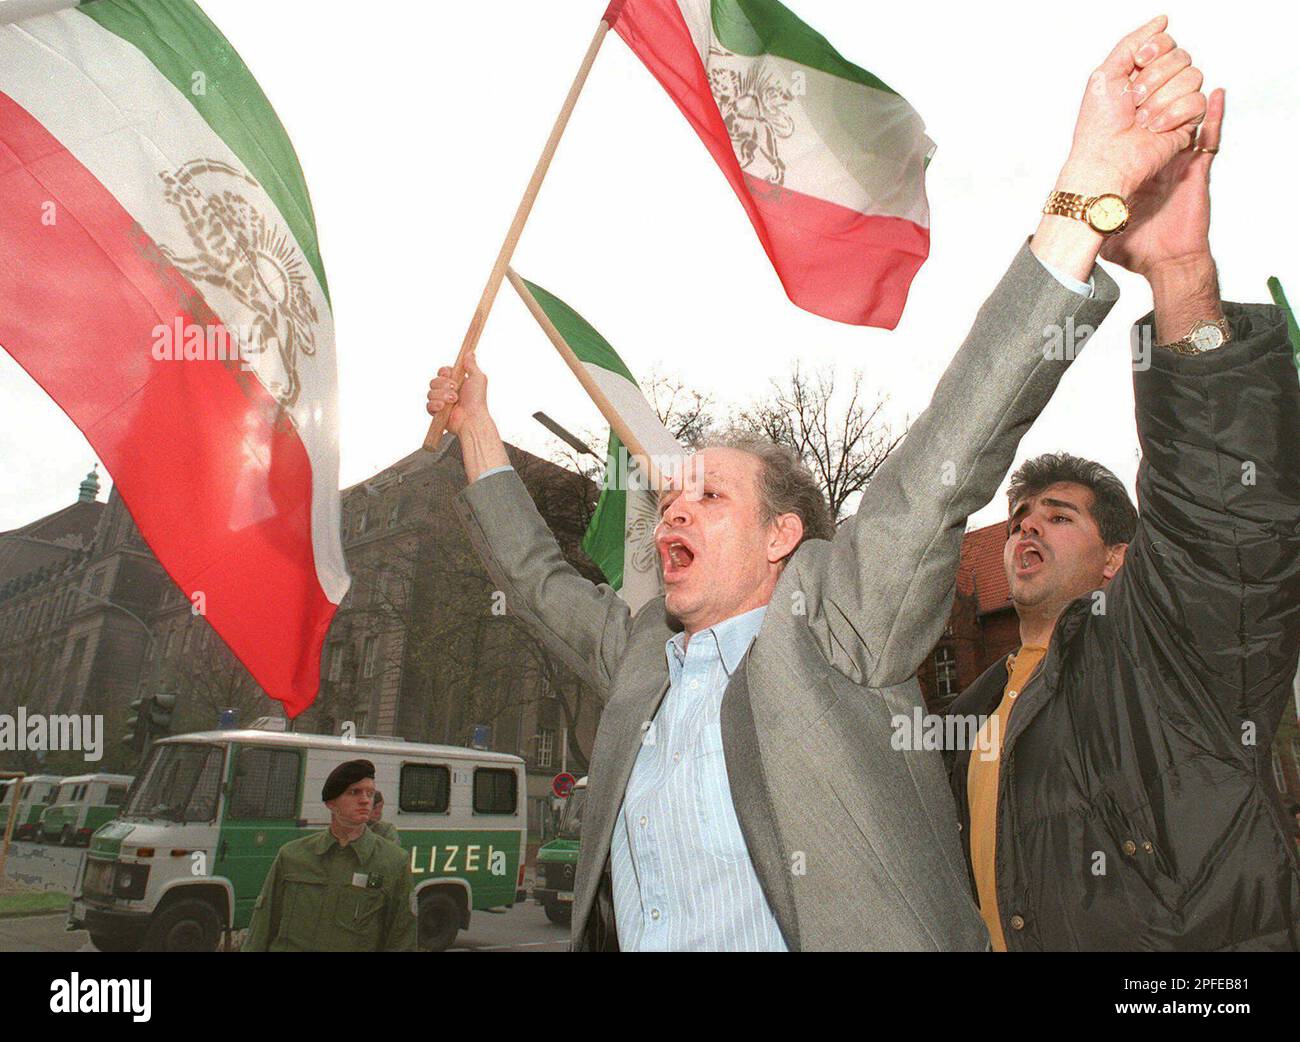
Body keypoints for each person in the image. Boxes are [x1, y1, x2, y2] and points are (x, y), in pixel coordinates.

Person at [427, 18, 1206, 950]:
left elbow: (946, 458)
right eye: (674, 494)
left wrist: (1084, 203)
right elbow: (534, 579)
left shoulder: (837, 626)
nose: (674, 504)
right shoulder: (637, 655)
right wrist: (477, 427)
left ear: (782, 538)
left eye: (711, 495)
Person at [943, 90, 1300, 951]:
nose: (1025, 528)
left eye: (1058, 517)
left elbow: (1223, 512)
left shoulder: (1163, 655)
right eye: (1020, 514)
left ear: (1116, 560)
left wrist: (1179, 273)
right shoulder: (974, 710)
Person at [243, 760, 416, 952]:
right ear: (331, 803)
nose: (366, 800)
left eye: (370, 793)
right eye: (354, 792)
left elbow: (402, 940)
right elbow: (262, 926)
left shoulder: (393, 862)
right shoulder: (293, 856)